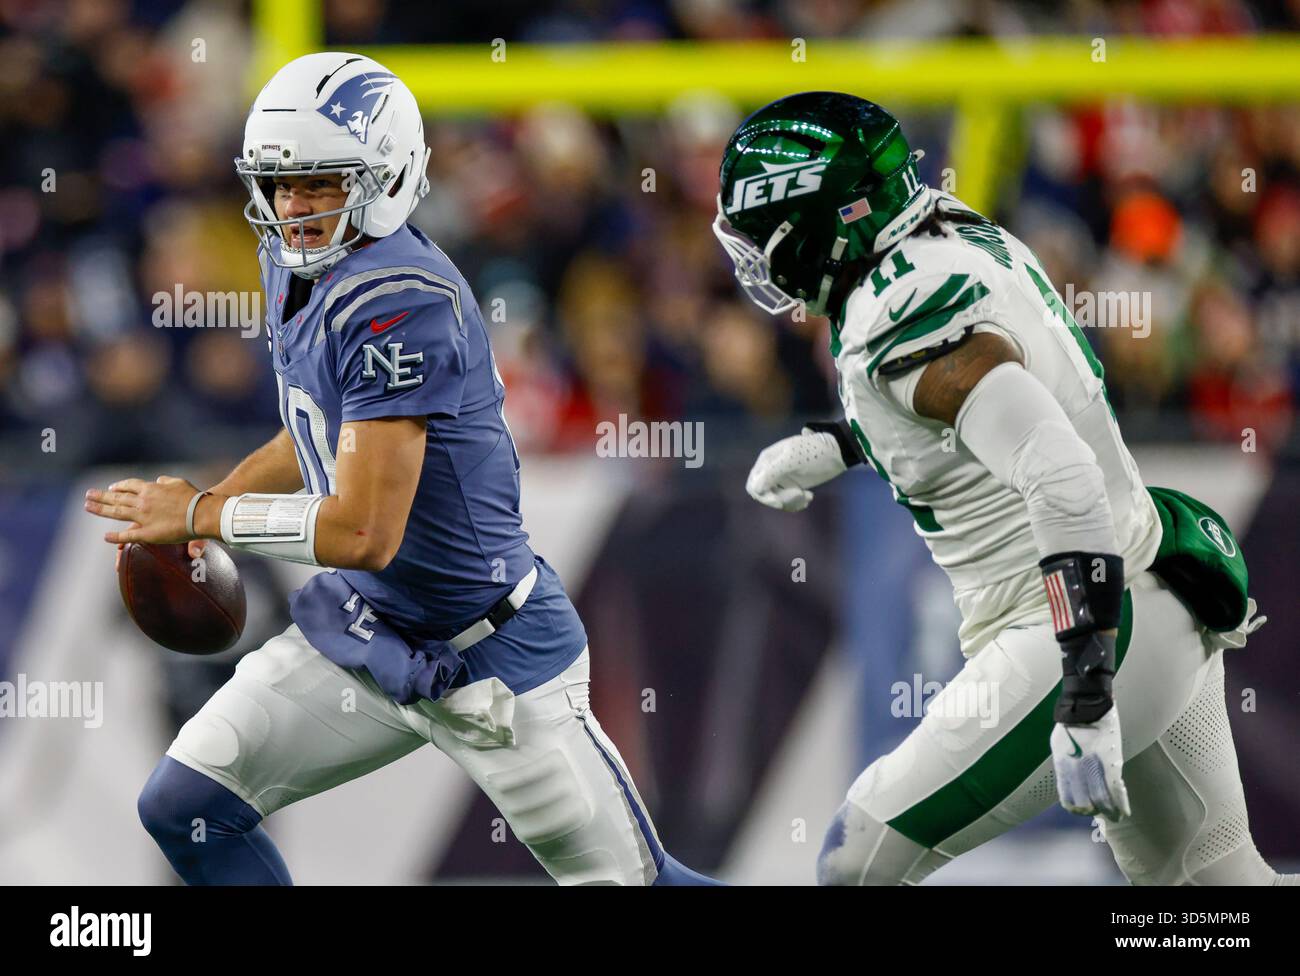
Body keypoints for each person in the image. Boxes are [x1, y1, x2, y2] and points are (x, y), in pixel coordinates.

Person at [86, 52, 718, 886]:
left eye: (319, 183)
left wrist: (203, 514)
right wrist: (213, 503)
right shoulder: (296, 264)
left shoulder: (402, 300)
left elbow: (363, 530)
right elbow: (310, 437)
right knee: (184, 803)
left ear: (385, 175)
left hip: (492, 663)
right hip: (368, 633)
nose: (293, 207)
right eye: (280, 184)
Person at [715, 91, 1293, 885]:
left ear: (814, 224)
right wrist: (848, 443)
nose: (756, 261)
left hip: (1091, 630)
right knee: (1214, 906)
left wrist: (1086, 689)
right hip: (1156, 583)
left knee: (856, 862)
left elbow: (1057, 471)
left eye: (761, 238)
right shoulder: (941, 229)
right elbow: (989, 405)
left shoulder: (901, 312)